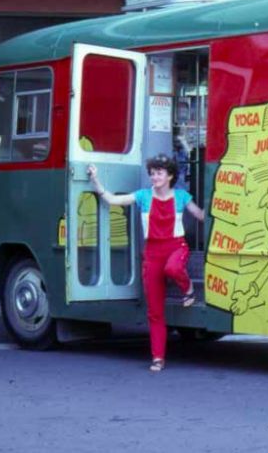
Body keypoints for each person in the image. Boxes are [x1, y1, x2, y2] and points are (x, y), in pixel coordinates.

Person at [87, 154, 205, 372]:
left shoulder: (181, 196)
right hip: (151, 253)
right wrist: (95, 181)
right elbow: (113, 200)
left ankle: (188, 288)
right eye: (152, 173)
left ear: (170, 176)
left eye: (159, 173)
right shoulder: (143, 196)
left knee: (173, 268)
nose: (154, 177)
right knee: (154, 311)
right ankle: (158, 357)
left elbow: (200, 215)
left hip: (176, 247)